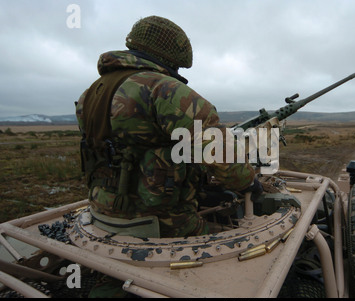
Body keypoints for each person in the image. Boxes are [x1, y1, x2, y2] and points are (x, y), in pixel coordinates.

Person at [75, 16, 257, 238]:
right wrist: (249, 182)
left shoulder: (92, 92)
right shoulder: (165, 90)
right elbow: (223, 158)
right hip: (162, 222)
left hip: (101, 212)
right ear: (172, 56)